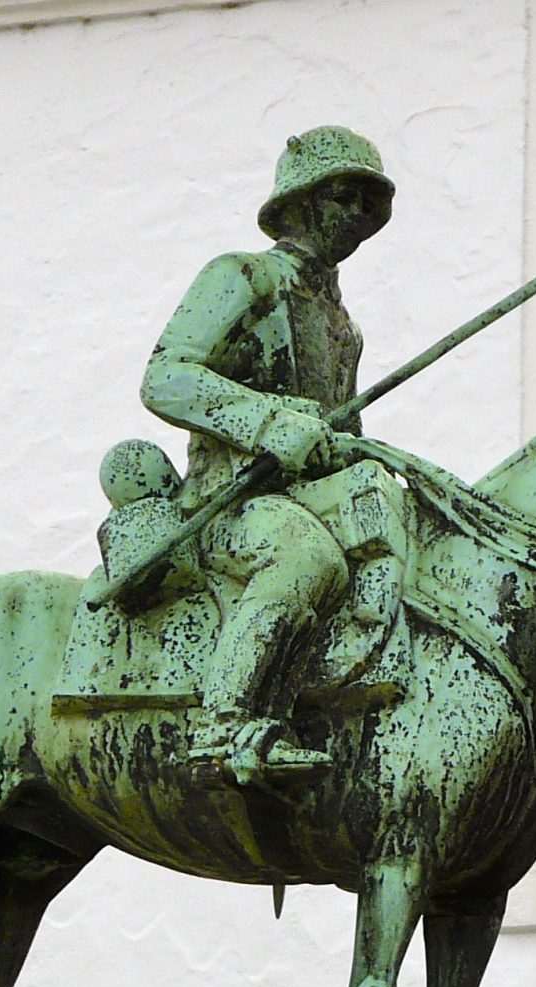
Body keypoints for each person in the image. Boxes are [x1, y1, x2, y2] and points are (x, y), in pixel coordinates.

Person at [141, 125, 404, 785]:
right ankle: (223, 728)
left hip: (310, 496)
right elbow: (165, 377)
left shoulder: (343, 327)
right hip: (230, 504)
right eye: (343, 196)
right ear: (299, 203)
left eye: (368, 204)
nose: (357, 216)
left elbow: (335, 433)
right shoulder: (243, 276)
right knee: (303, 554)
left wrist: (353, 452)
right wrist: (269, 423)